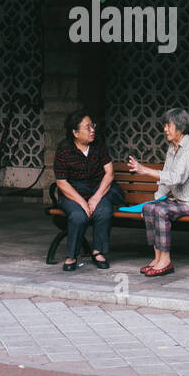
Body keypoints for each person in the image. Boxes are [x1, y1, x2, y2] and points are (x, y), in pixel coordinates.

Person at [126, 107, 189, 278]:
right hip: (183, 201)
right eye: (164, 125)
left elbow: (177, 177)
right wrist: (154, 200)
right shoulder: (172, 148)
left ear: (180, 127)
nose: (164, 129)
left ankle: (165, 261)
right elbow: (166, 182)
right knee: (151, 208)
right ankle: (158, 257)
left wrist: (144, 170)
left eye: (168, 125)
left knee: (160, 211)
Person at [53, 110, 124, 272]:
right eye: (88, 127)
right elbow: (62, 182)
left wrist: (95, 198)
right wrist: (82, 202)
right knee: (78, 215)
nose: (93, 130)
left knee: (104, 211)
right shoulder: (64, 150)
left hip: (98, 189)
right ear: (75, 133)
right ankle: (72, 255)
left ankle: (97, 251)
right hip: (73, 192)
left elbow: (109, 173)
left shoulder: (98, 144)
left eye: (93, 126)